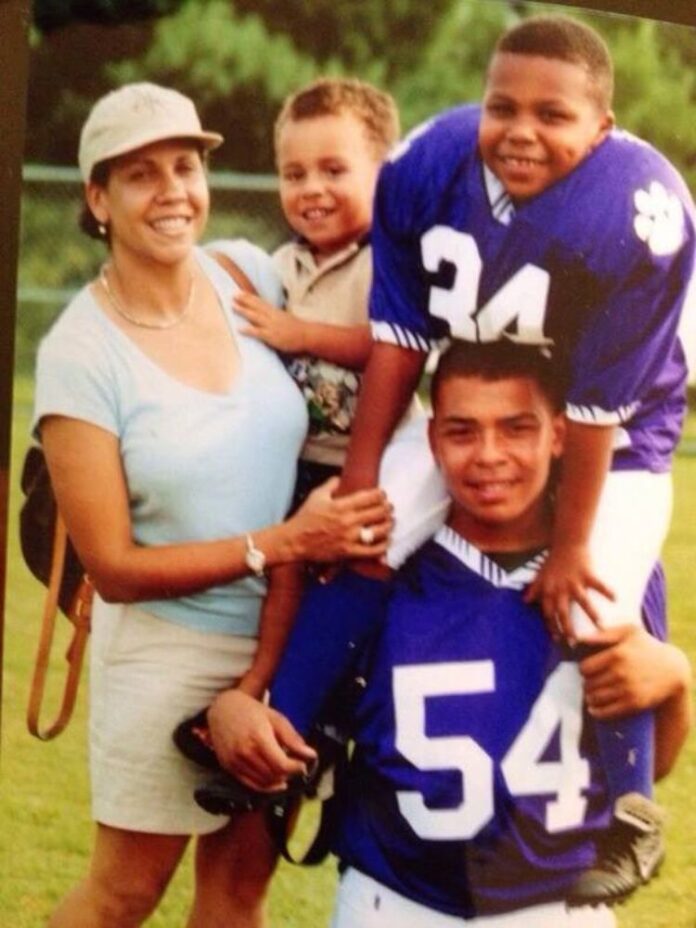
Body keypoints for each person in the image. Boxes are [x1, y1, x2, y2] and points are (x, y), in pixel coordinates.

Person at [291, 13, 695, 905]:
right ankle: (292, 732)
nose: (520, 130)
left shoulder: (641, 210)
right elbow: (398, 337)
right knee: (362, 536)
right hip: (486, 416)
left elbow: (594, 414)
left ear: (603, 127)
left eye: (553, 115)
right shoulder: (431, 164)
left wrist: (574, 545)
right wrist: (360, 481)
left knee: (598, 602)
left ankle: (628, 812)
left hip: (619, 441)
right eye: (501, 106)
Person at [33, 81, 392, 928]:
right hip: (167, 650)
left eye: (187, 167)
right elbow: (114, 570)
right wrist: (283, 541)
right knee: (125, 894)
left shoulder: (245, 272)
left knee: (237, 894)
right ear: (97, 197)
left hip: (287, 642)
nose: (173, 192)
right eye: (140, 175)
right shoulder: (81, 354)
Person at [205, 341, 692, 927]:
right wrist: (238, 708)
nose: (490, 456)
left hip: (562, 907)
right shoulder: (378, 562)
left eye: (516, 429)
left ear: (559, 435)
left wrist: (678, 684)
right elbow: (293, 712)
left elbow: (646, 763)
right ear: (432, 441)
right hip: (393, 899)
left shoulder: (615, 570)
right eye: (463, 431)